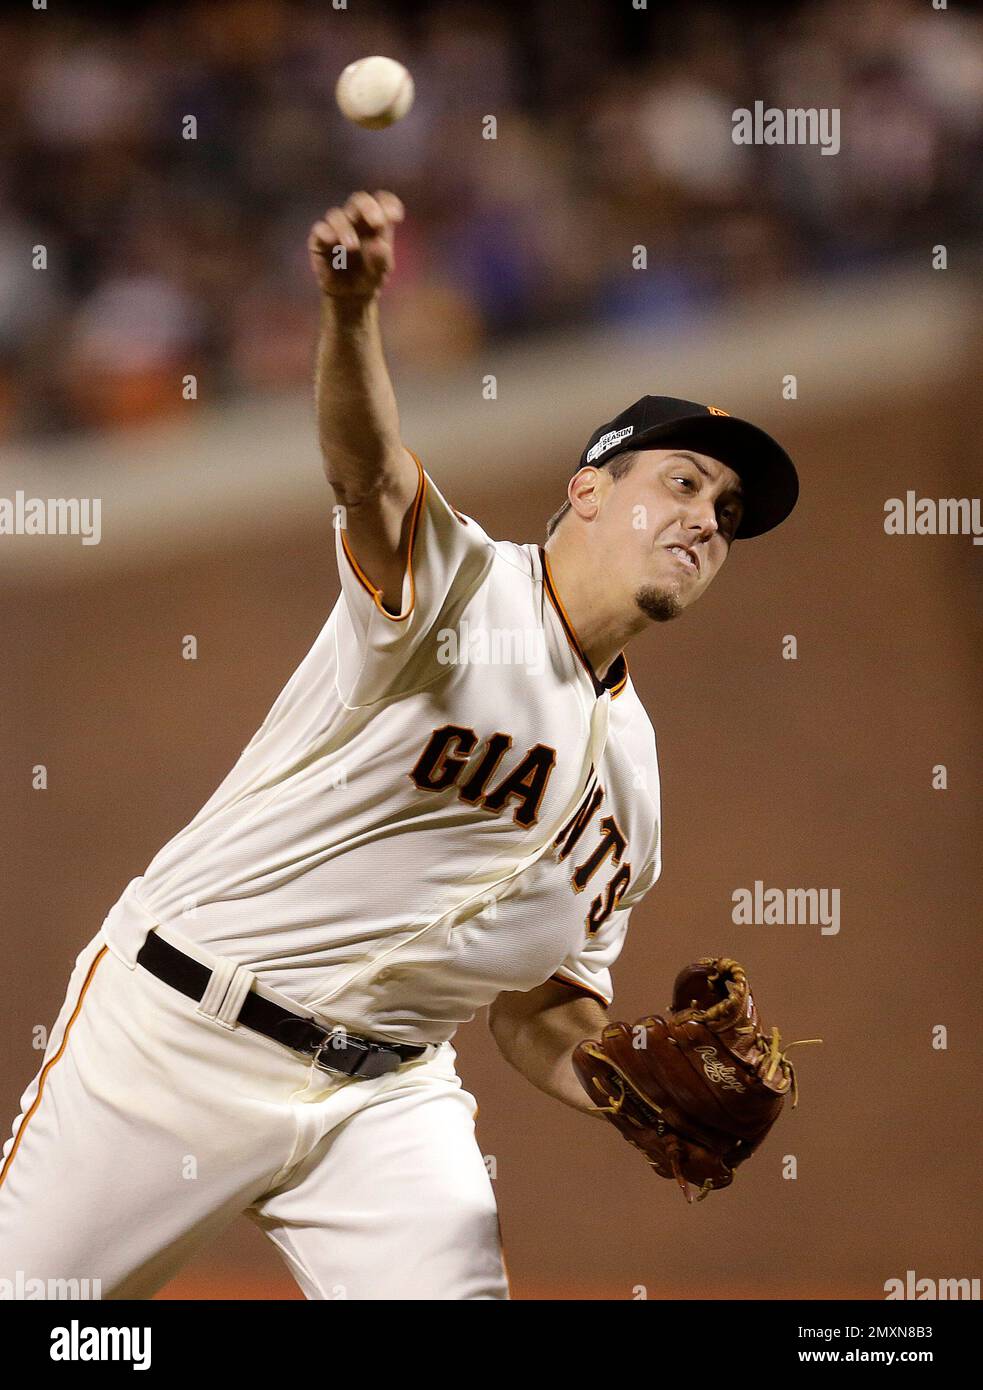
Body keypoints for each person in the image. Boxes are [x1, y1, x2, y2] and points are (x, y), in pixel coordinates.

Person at [0, 191, 797, 1301]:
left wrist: (619, 1079)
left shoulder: (637, 785)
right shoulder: (460, 586)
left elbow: (538, 1007)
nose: (708, 518)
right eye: (682, 480)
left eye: (727, 510)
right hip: (182, 1030)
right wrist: (350, 309)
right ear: (586, 488)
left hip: (386, 1097)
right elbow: (366, 469)